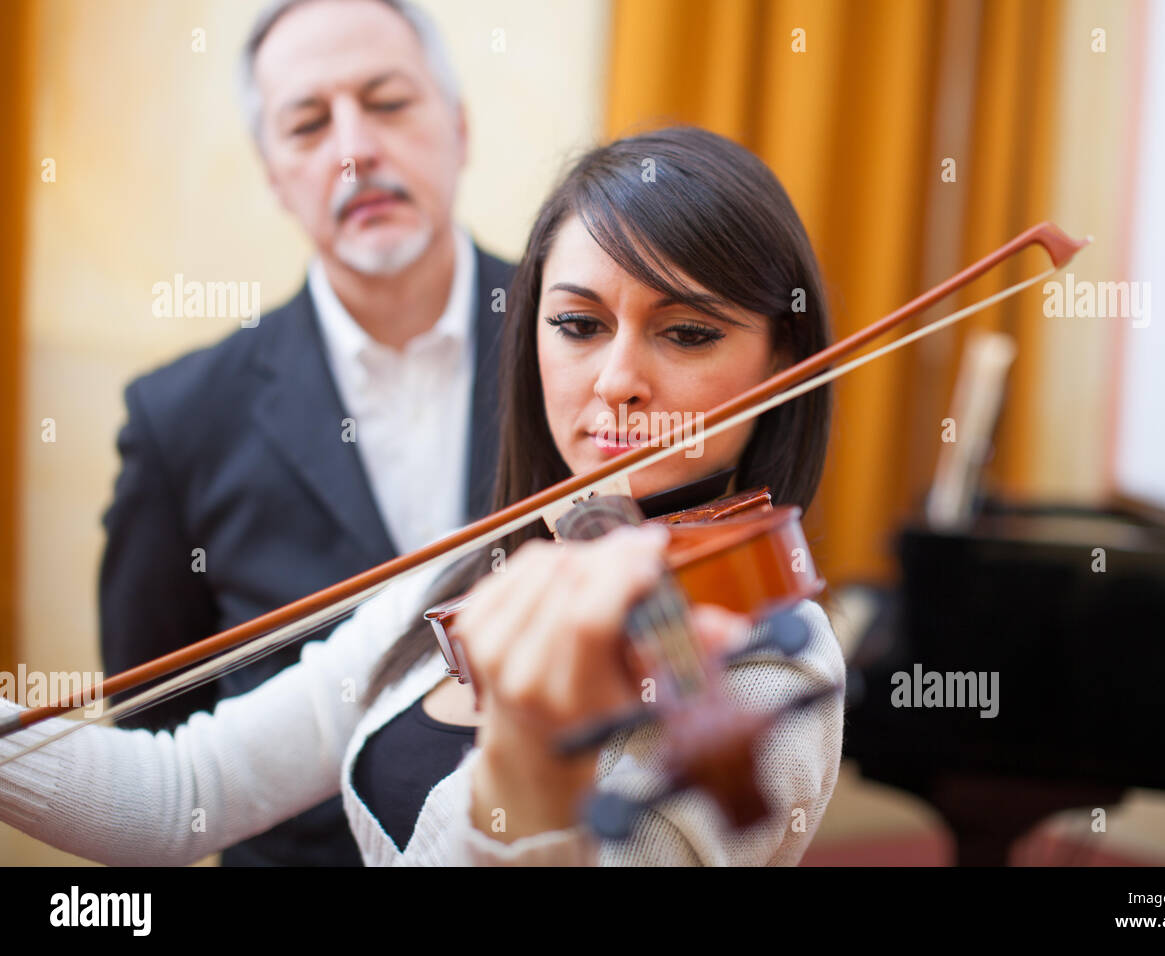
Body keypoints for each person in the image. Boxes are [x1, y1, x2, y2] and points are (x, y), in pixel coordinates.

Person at [3, 126, 845, 865]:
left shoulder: (766, 659)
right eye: (580, 325)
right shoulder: (473, 569)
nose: (617, 381)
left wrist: (528, 760)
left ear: (783, 362)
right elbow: (178, 792)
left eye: (687, 333)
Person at [97, 0, 513, 866]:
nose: (354, 152)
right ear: (274, 175)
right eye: (308, 125)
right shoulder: (180, 418)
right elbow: (155, 735)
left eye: (389, 102)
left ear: (461, 126)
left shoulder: (582, 345)